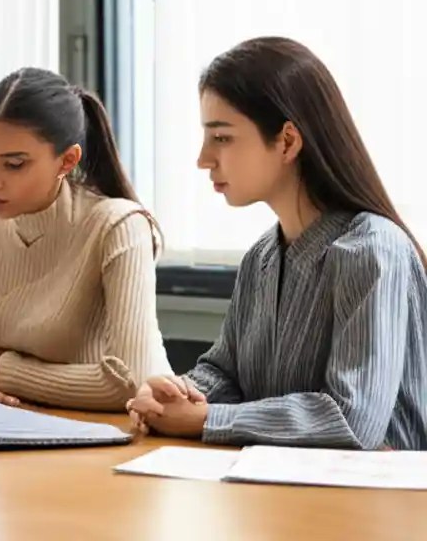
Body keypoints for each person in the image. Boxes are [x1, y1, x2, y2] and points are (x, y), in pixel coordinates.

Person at [128, 37, 427, 450]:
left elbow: (352, 418)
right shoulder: (262, 257)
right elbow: (225, 373)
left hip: (378, 489)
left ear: (287, 141)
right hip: (279, 482)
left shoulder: (373, 250)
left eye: (222, 138)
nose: (203, 159)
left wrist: (207, 418)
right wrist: (175, 395)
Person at [0, 67, 171, 411]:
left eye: (14, 164)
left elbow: (129, 382)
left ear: (67, 160)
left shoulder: (118, 226)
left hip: (106, 432)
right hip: (4, 425)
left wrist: (7, 373)